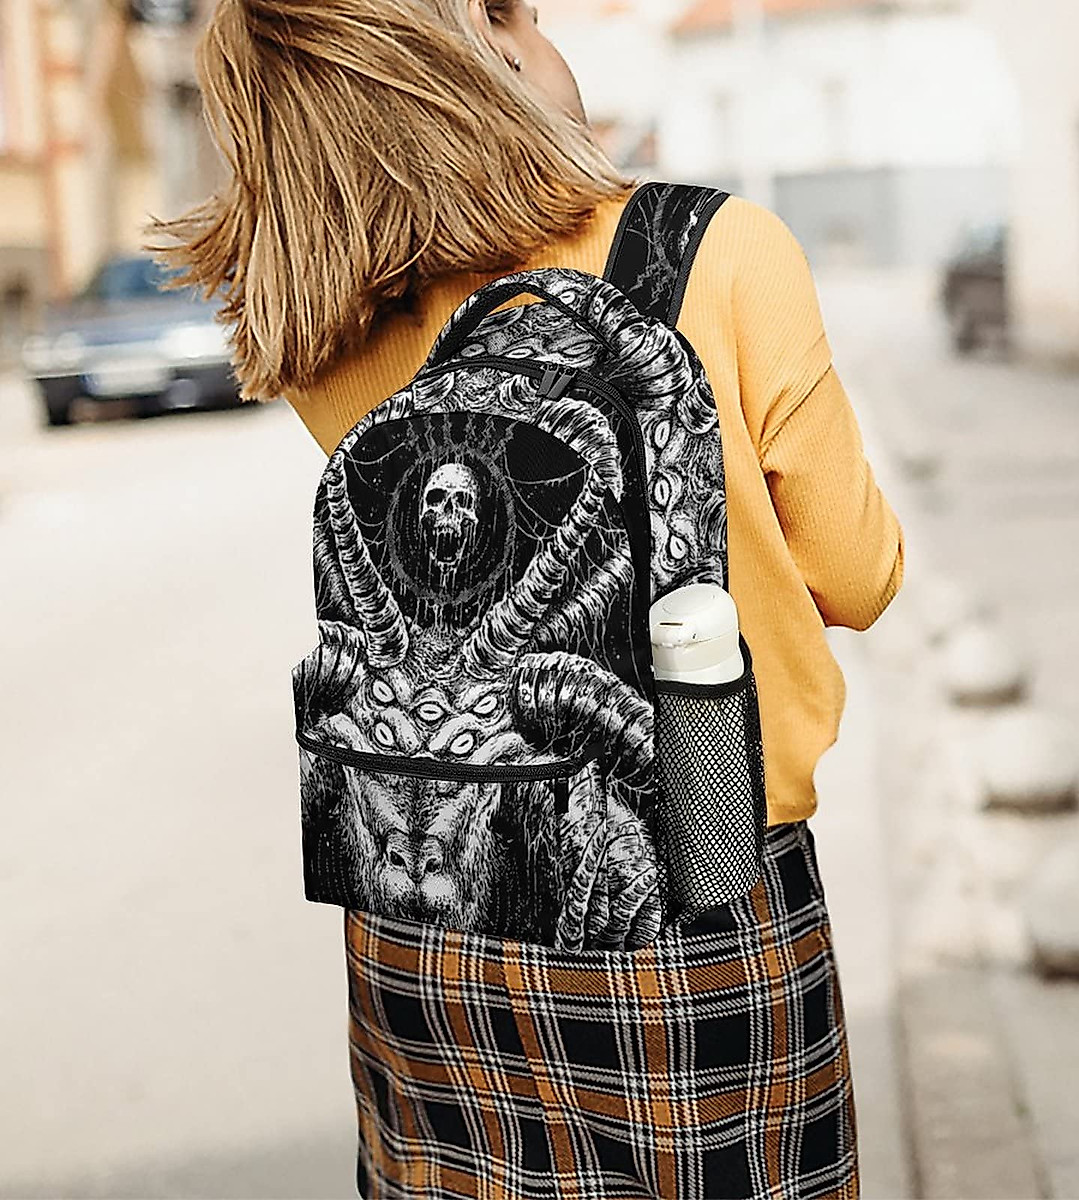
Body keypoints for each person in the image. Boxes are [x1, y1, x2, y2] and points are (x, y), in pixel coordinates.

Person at [153, 1, 904, 1196]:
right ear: (482, 44)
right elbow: (857, 575)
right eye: (519, 12)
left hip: (423, 930)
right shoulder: (713, 251)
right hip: (691, 897)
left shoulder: (332, 317)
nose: (548, 39)